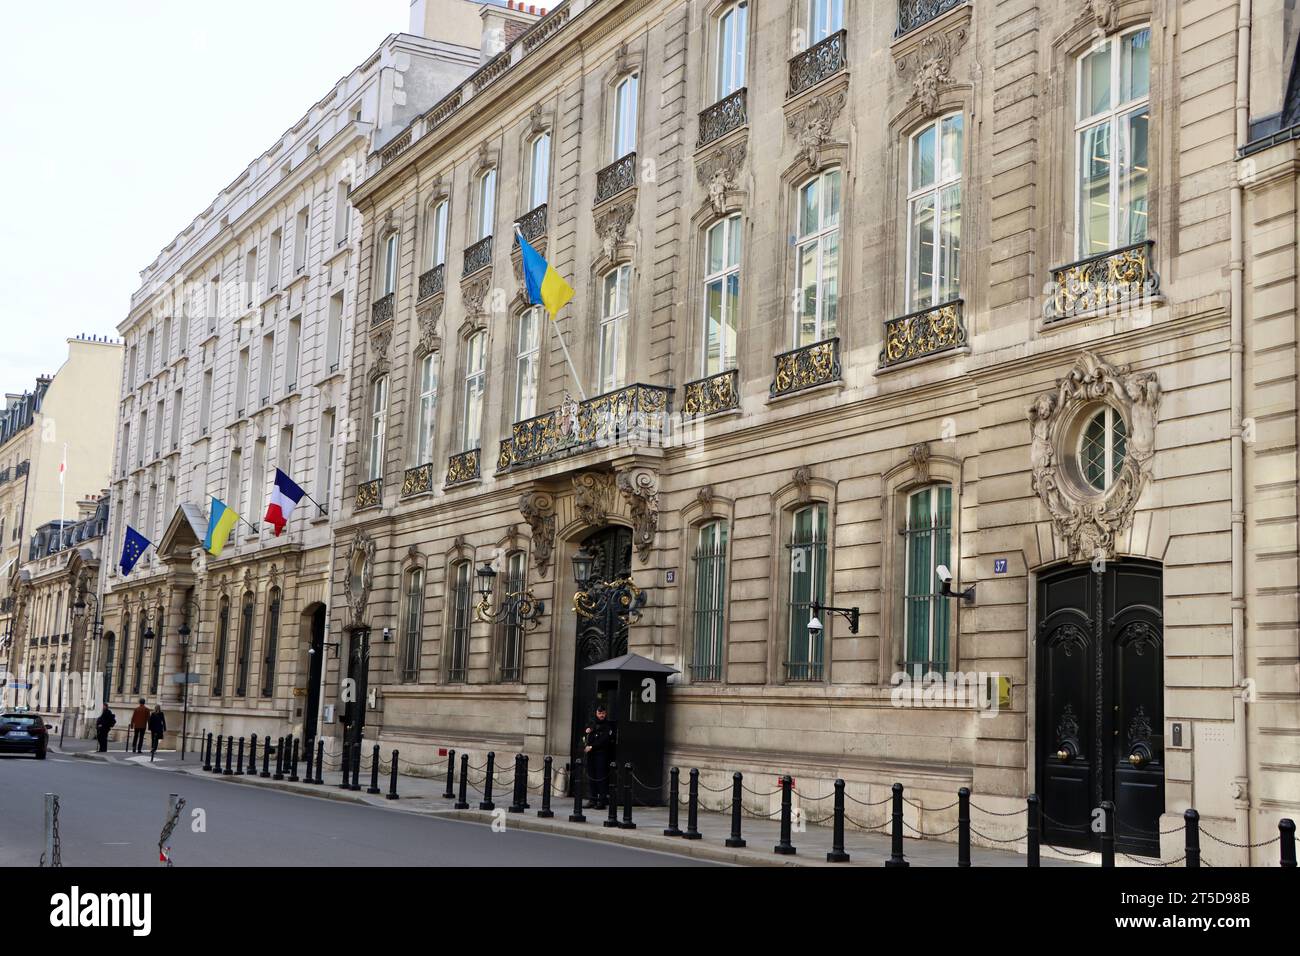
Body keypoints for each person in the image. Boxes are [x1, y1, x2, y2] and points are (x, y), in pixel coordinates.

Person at [582, 702, 616, 810]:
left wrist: (592, 747)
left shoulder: (607, 726)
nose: (601, 715)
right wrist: (587, 733)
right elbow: (587, 738)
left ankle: (601, 800)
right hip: (591, 755)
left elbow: (604, 740)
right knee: (592, 776)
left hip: (601, 754)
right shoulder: (592, 724)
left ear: (605, 714)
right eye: (599, 713)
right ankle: (592, 799)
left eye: (603, 713)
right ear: (596, 713)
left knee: (601, 777)